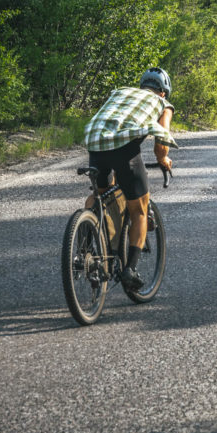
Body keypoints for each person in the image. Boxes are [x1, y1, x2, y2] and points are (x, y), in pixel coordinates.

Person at [83, 67, 176, 290]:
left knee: (101, 194)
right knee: (140, 209)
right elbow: (161, 141)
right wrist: (164, 159)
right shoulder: (163, 104)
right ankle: (130, 270)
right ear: (163, 92)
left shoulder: (120, 92)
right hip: (123, 148)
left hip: (95, 141)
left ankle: (84, 248)